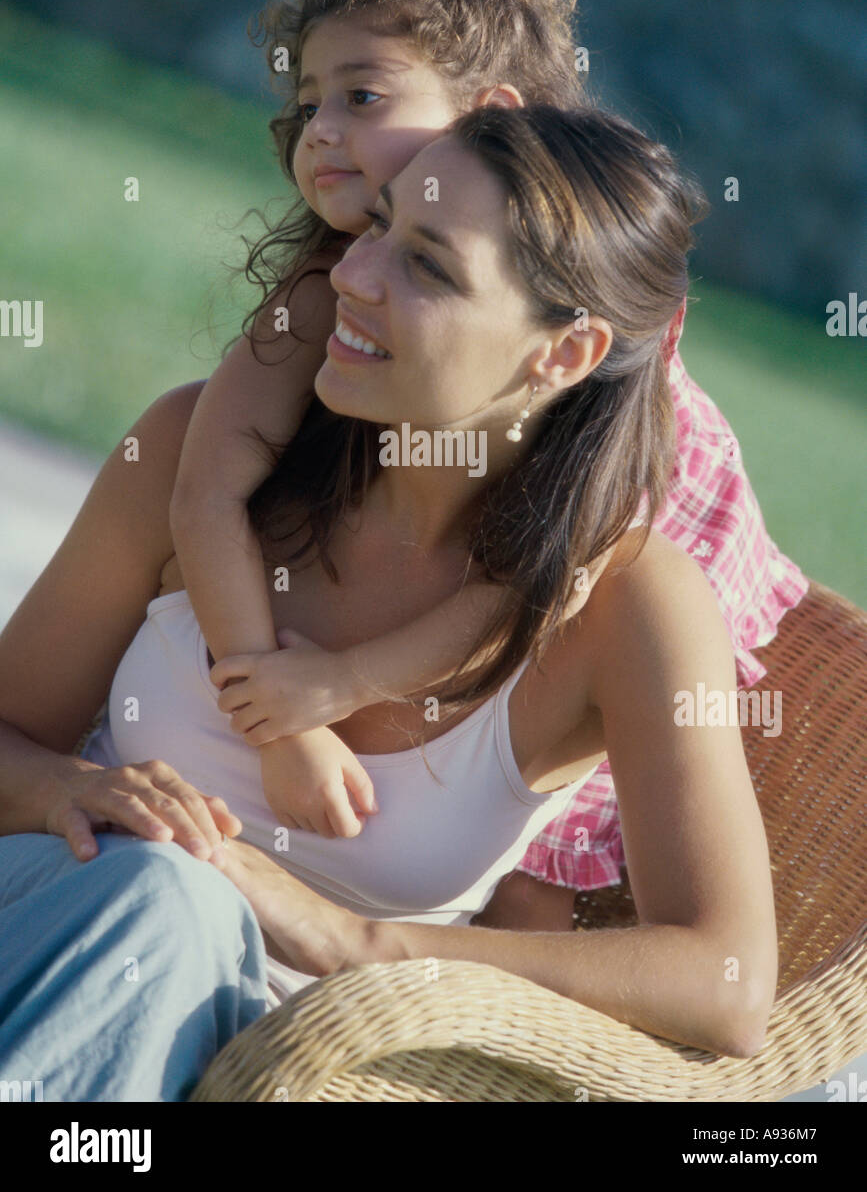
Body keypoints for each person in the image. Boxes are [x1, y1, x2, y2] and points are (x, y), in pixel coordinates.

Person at [0, 103, 778, 1101]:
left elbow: (728, 981)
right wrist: (69, 793)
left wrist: (360, 942)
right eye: (378, 227)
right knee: (165, 899)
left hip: (289, 1061)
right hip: (55, 925)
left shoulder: (627, 607)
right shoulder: (205, 462)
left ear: (565, 353)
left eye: (430, 266)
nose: (353, 278)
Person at [168, 0, 807, 930]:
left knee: (548, 832)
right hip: (527, 564)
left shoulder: (569, 307)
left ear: (490, 111)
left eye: (362, 96)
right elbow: (205, 484)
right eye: (308, 101)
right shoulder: (319, 289)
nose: (320, 129)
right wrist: (279, 713)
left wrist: (339, 682)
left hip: (616, 516)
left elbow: (541, 571)